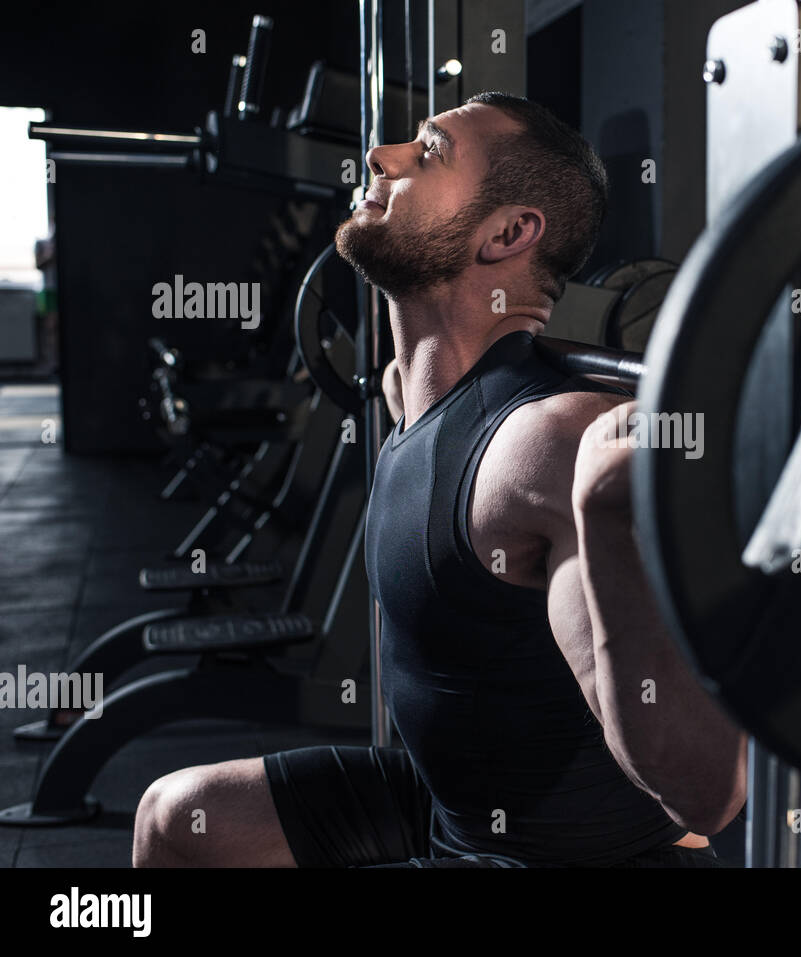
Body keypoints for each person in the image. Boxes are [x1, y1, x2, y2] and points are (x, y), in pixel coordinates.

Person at [132, 92, 748, 868]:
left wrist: (607, 512)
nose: (382, 157)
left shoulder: (545, 446)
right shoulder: (412, 392)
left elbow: (705, 796)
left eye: (428, 152)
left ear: (509, 233)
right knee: (176, 818)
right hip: (454, 803)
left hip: (563, 859)